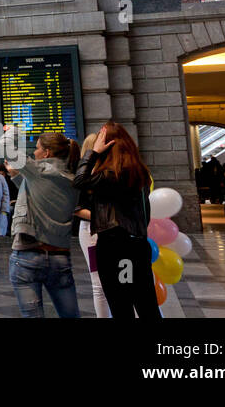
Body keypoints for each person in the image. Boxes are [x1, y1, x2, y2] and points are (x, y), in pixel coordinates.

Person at [73, 121, 160, 320]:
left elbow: (79, 181)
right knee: (146, 304)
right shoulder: (139, 172)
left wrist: (92, 152)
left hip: (116, 249)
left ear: (108, 145)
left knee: (121, 305)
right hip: (137, 245)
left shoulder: (110, 175)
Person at [8, 133, 81, 318]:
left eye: (38, 148)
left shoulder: (38, 172)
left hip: (28, 254)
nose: (34, 153)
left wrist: (11, 132)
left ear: (47, 153)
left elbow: (6, 148)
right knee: (70, 315)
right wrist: (17, 178)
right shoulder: (72, 179)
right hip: (60, 257)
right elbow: (42, 197)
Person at [74, 134, 110, 318]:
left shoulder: (109, 172)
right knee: (99, 283)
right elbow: (77, 208)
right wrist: (106, 217)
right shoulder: (83, 175)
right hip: (91, 231)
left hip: (110, 230)